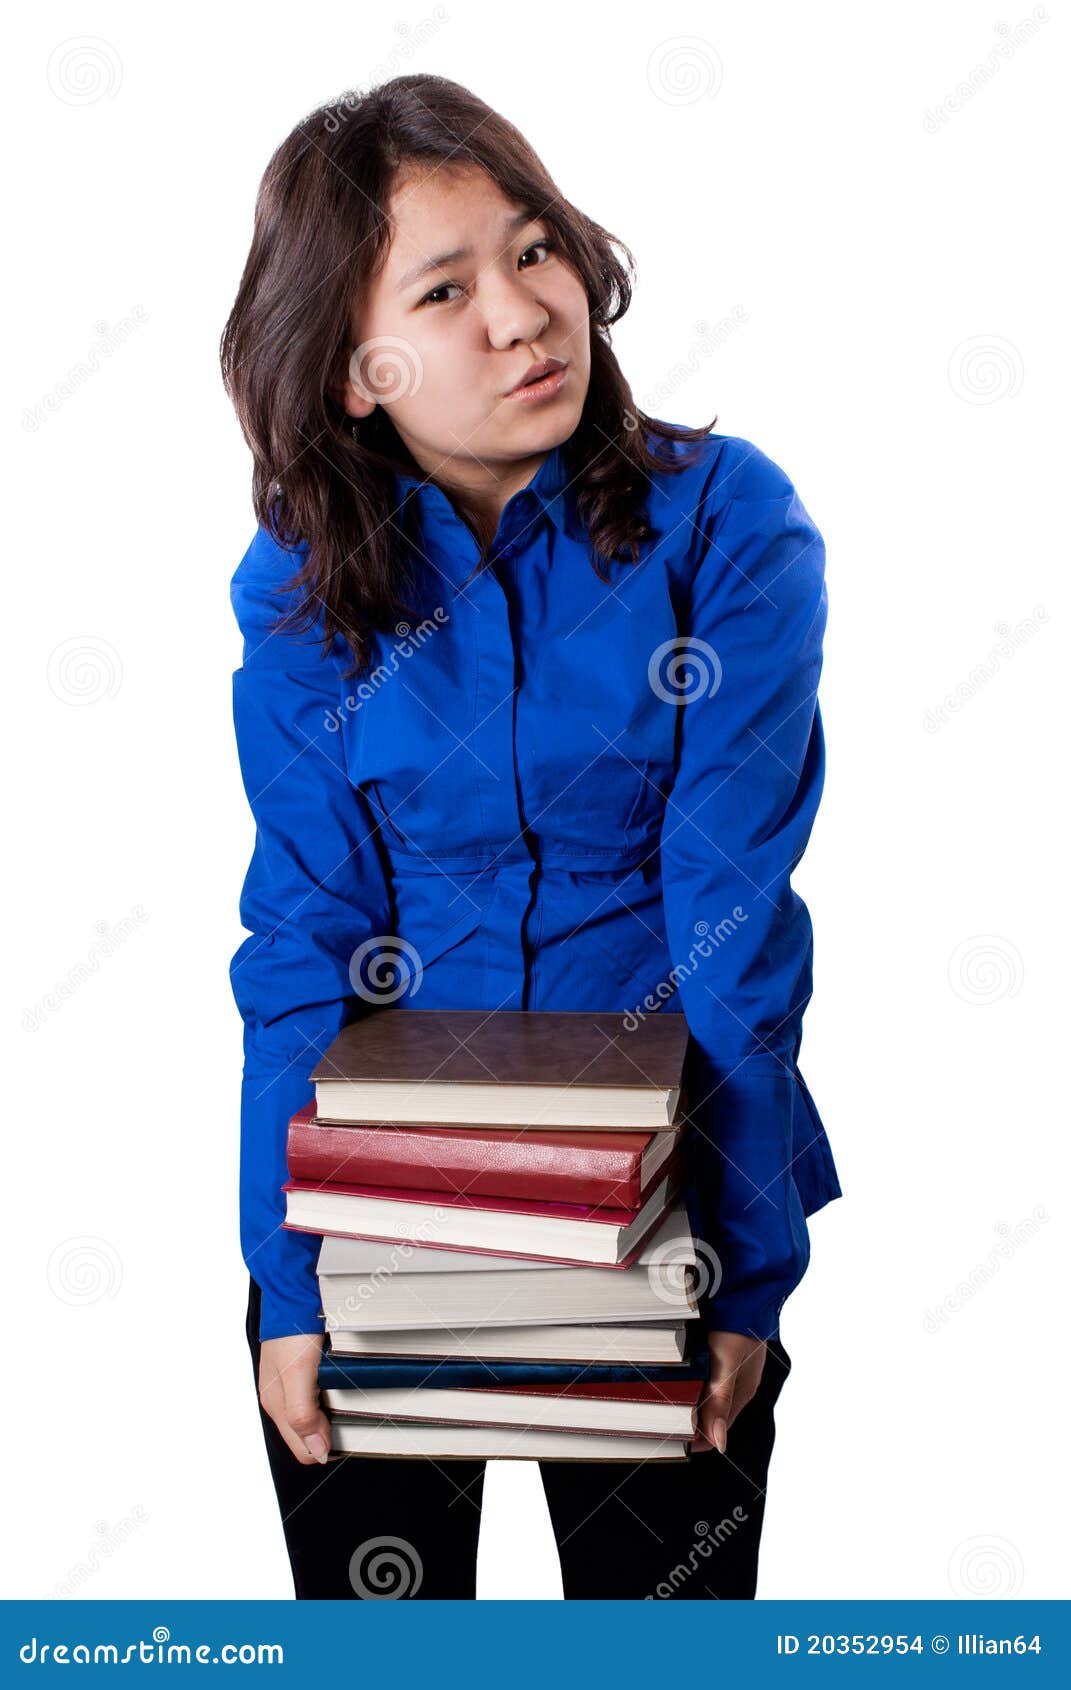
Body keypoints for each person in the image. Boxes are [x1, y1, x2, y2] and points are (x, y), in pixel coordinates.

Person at [221, 73, 841, 1601]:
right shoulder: (300, 580)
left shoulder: (726, 525)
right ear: (354, 367)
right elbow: (301, 933)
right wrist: (287, 1286)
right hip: (371, 1200)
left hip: (660, 1206)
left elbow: (729, 920)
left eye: (535, 250)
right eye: (446, 287)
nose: (523, 312)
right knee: (386, 1642)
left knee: (656, 1649)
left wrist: (743, 1272)